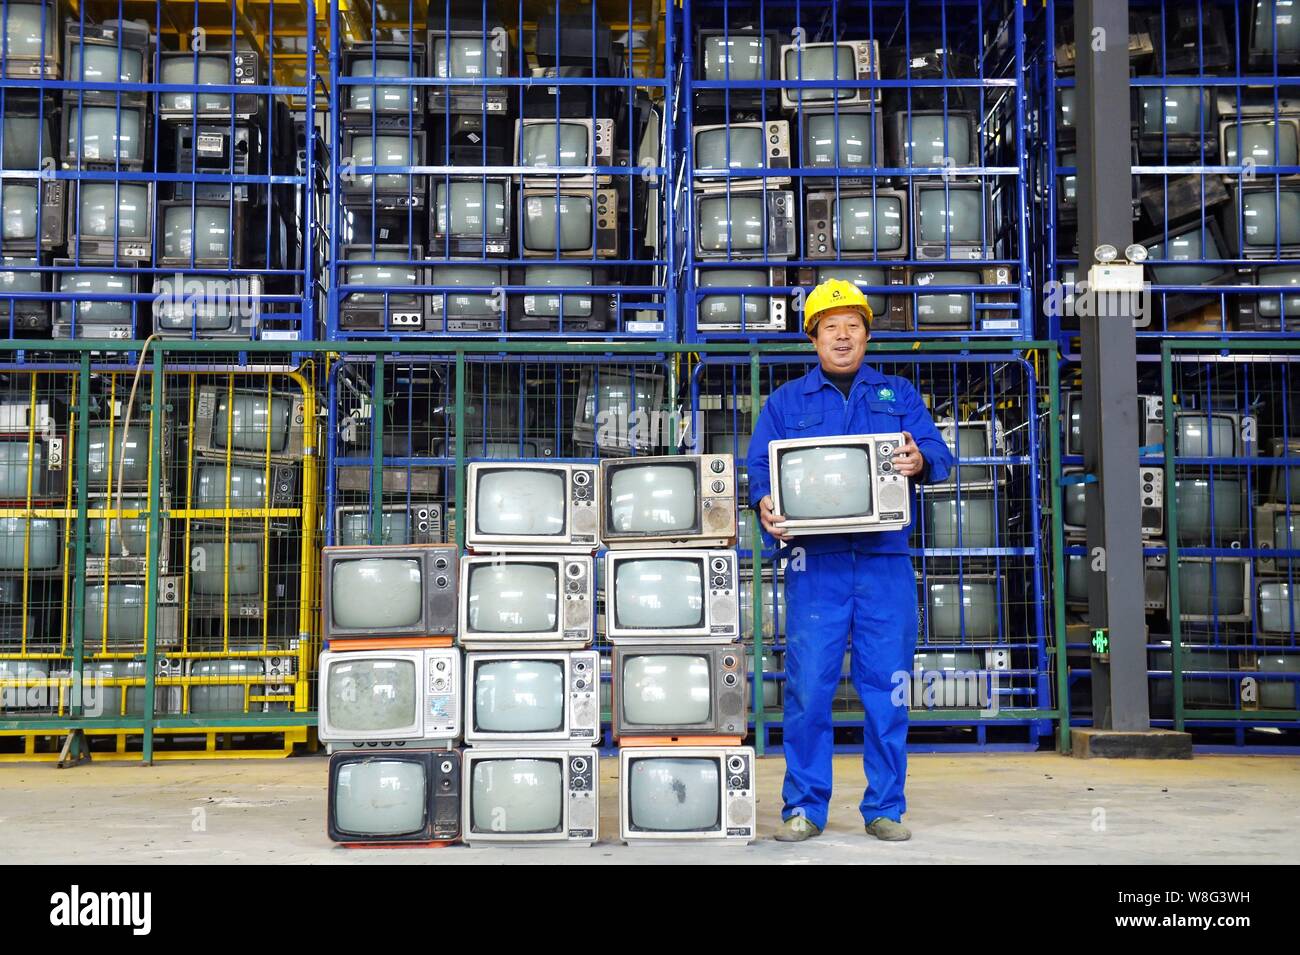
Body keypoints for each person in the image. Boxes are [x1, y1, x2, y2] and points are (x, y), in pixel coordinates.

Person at [746, 278, 954, 843]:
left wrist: (920, 460)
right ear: (813, 337)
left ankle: (885, 807)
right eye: (830, 327)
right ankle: (805, 808)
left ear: (866, 334)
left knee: (887, 687)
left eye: (853, 326)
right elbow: (759, 470)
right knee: (808, 689)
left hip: (884, 562)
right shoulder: (786, 402)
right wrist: (763, 501)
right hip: (816, 567)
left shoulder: (898, 395)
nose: (842, 335)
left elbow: (941, 454)